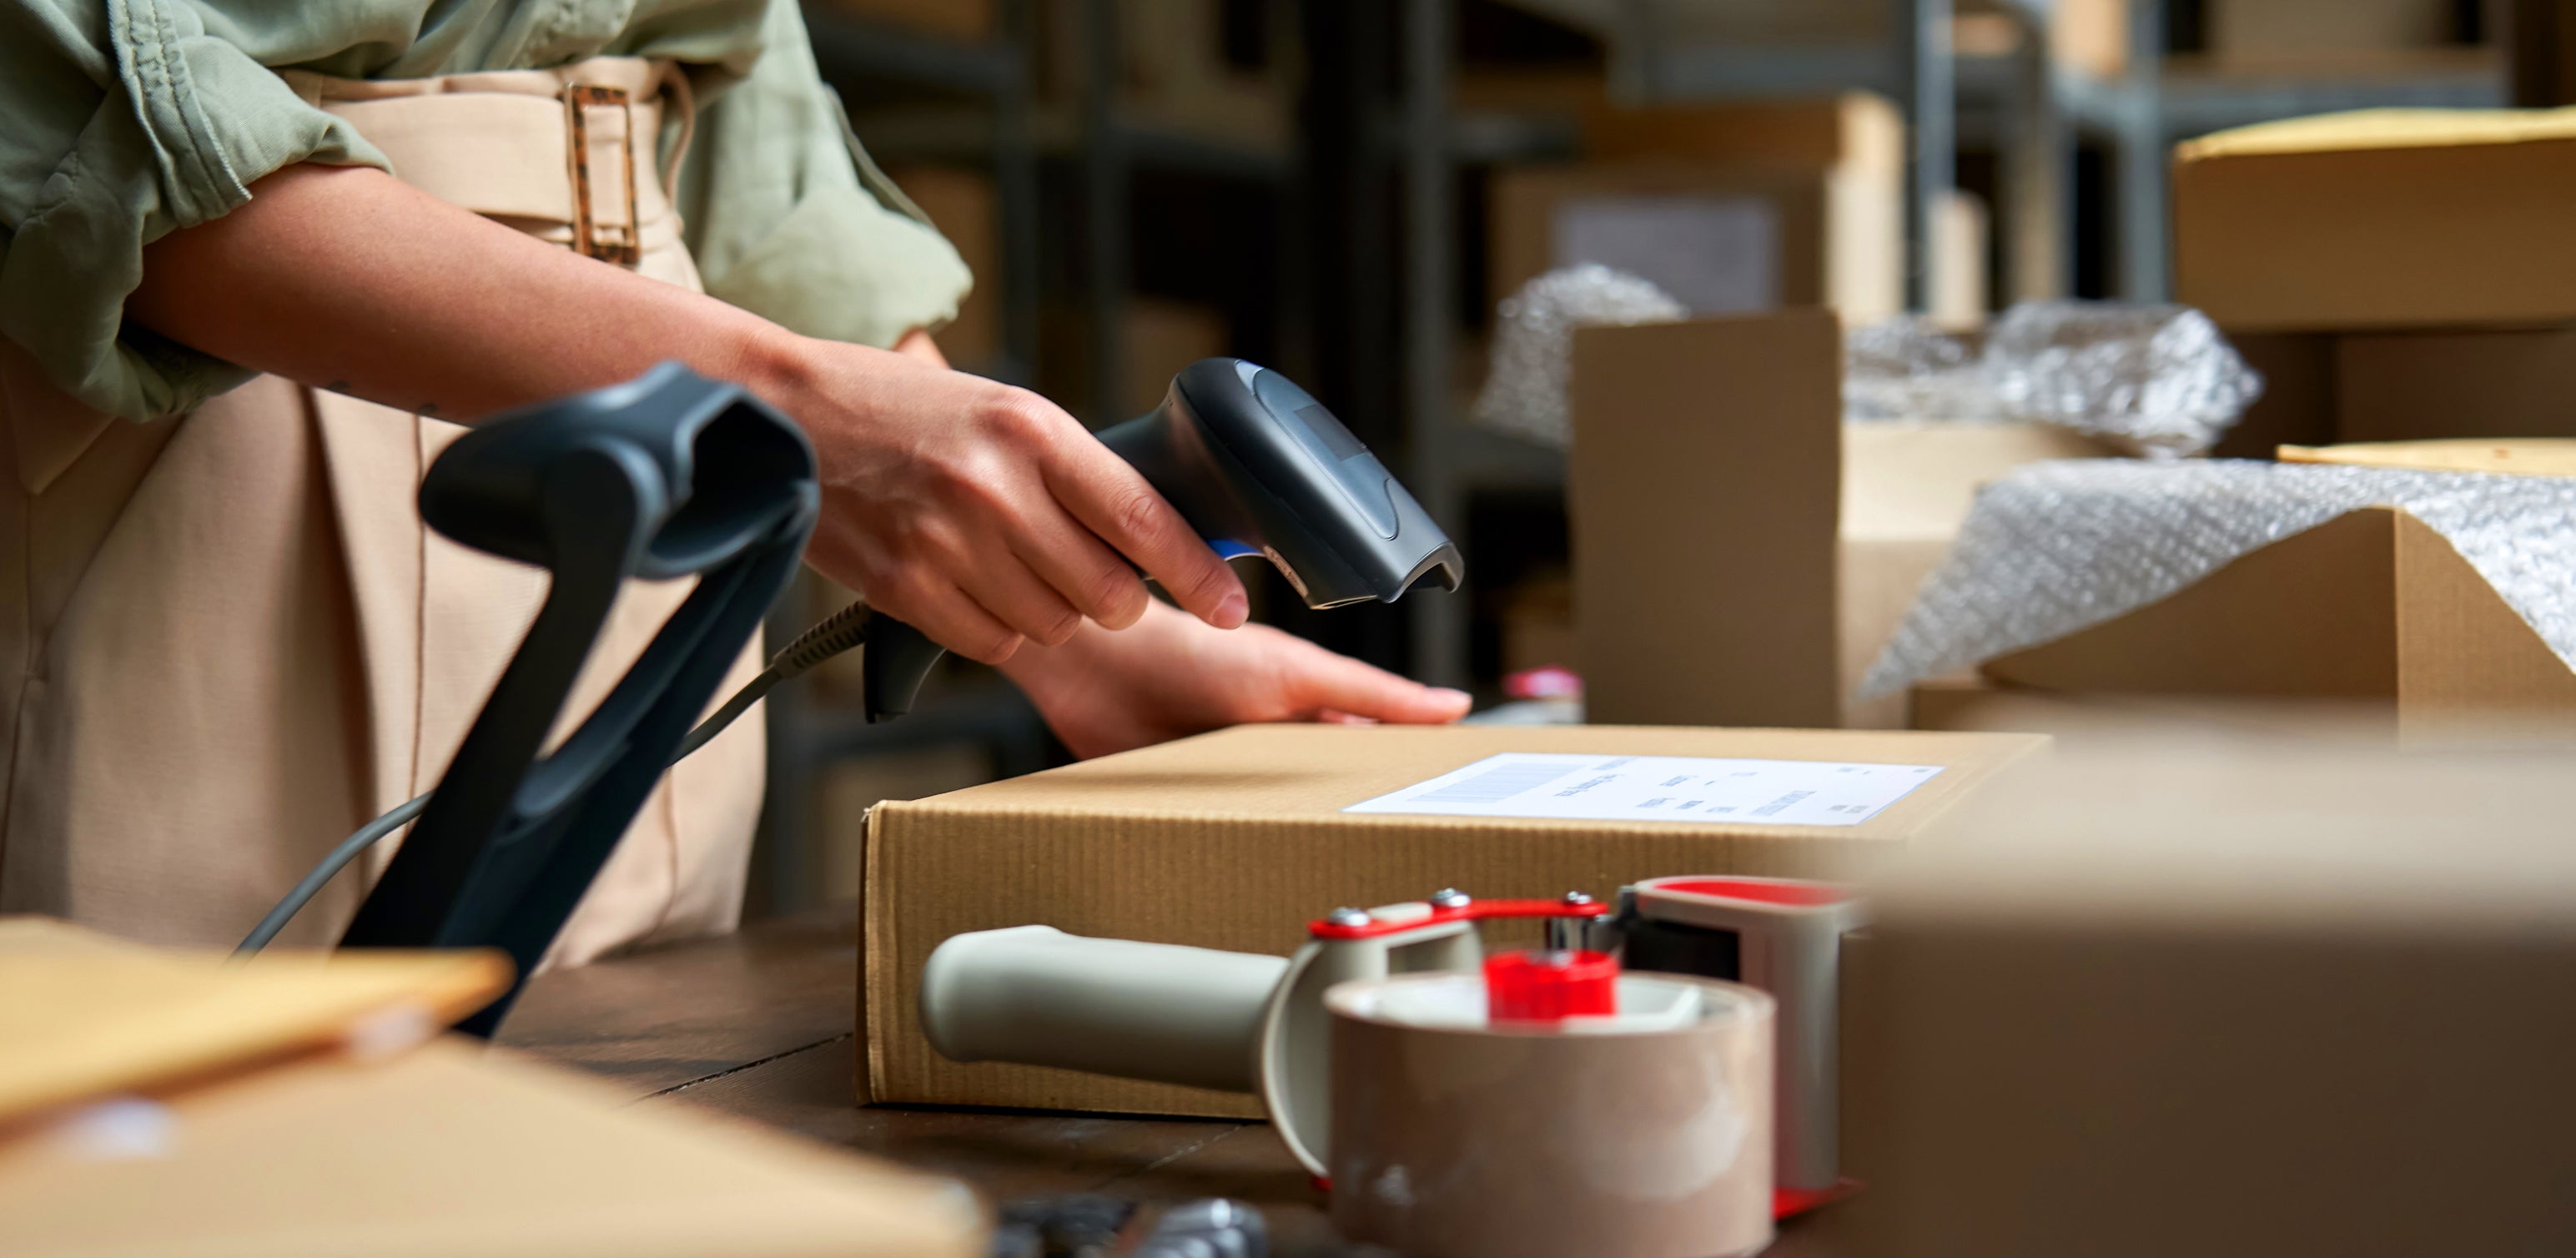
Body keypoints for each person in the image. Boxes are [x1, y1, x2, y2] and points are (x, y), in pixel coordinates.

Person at [0, 0, 1470, 964]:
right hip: (235, 439)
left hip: (683, 481)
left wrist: (1082, 622)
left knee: (624, 1119)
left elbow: (762, 160)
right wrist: (795, 415)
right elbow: (78, 123)